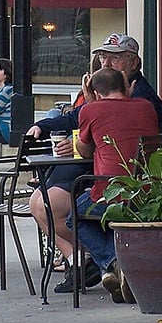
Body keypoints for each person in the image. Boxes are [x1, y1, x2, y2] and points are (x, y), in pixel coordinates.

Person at [66, 67, 158, 302]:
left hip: (111, 193)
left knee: (73, 215)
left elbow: (84, 149)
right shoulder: (146, 107)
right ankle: (118, 269)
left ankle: (114, 262)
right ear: (127, 87)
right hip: (149, 193)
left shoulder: (90, 109)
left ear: (95, 92)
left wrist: (87, 104)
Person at [26, 69, 101, 292]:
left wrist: (76, 145)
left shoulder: (126, 103)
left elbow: (102, 143)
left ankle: (95, 256)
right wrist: (42, 125)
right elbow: (73, 119)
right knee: (36, 202)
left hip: (96, 175)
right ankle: (76, 260)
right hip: (80, 168)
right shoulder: (90, 105)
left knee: (49, 204)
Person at [91, 34, 162, 132]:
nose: (106, 64)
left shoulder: (140, 96)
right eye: (103, 57)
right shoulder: (113, 88)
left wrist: (92, 106)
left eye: (115, 58)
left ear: (133, 63)